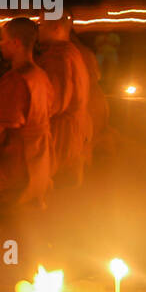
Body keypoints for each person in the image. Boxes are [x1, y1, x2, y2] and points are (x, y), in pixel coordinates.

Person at [0, 17, 54, 211]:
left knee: (12, 219)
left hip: (18, 164)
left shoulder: (17, 80)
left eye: (3, 39)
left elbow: (2, 127)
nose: (0, 44)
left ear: (16, 43)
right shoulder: (41, 75)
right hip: (40, 160)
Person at [37, 13, 93, 187]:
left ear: (56, 28)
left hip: (62, 138)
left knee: (58, 190)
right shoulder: (73, 53)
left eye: (41, 25)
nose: (38, 29)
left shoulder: (58, 57)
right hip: (75, 134)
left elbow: (53, 103)